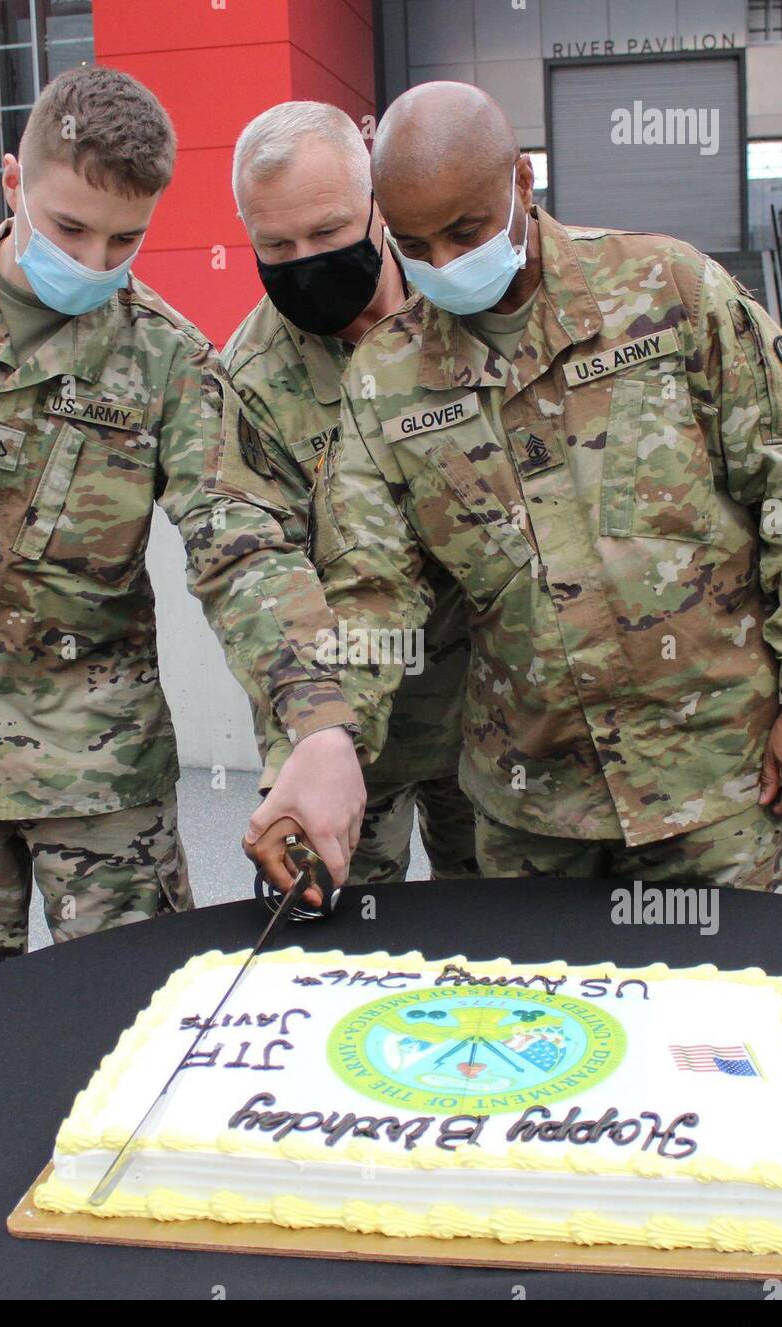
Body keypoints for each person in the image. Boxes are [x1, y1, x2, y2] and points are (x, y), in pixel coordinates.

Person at [252, 81, 782, 894]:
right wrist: (321, 742)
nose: (444, 264)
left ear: (522, 181)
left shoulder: (670, 293)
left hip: (715, 790)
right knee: (544, 1023)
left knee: (731, 1014)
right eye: (416, 245)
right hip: (531, 814)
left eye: (466, 231)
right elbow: (370, 590)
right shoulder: (387, 377)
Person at [0, 66, 344, 995]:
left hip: (100, 778)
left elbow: (240, 541)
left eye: (125, 240)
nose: (97, 264)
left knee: (134, 1022)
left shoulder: (167, 361)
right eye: (70, 229)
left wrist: (318, 723)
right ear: (14, 181)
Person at [220, 101, 477, 886]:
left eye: (329, 233)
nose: (305, 258)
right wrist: (305, 748)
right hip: (353, 723)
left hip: (499, 715)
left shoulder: (470, 299)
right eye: (276, 245)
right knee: (352, 955)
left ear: (374, 185)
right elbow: (262, 574)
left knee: (514, 952)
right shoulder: (251, 378)